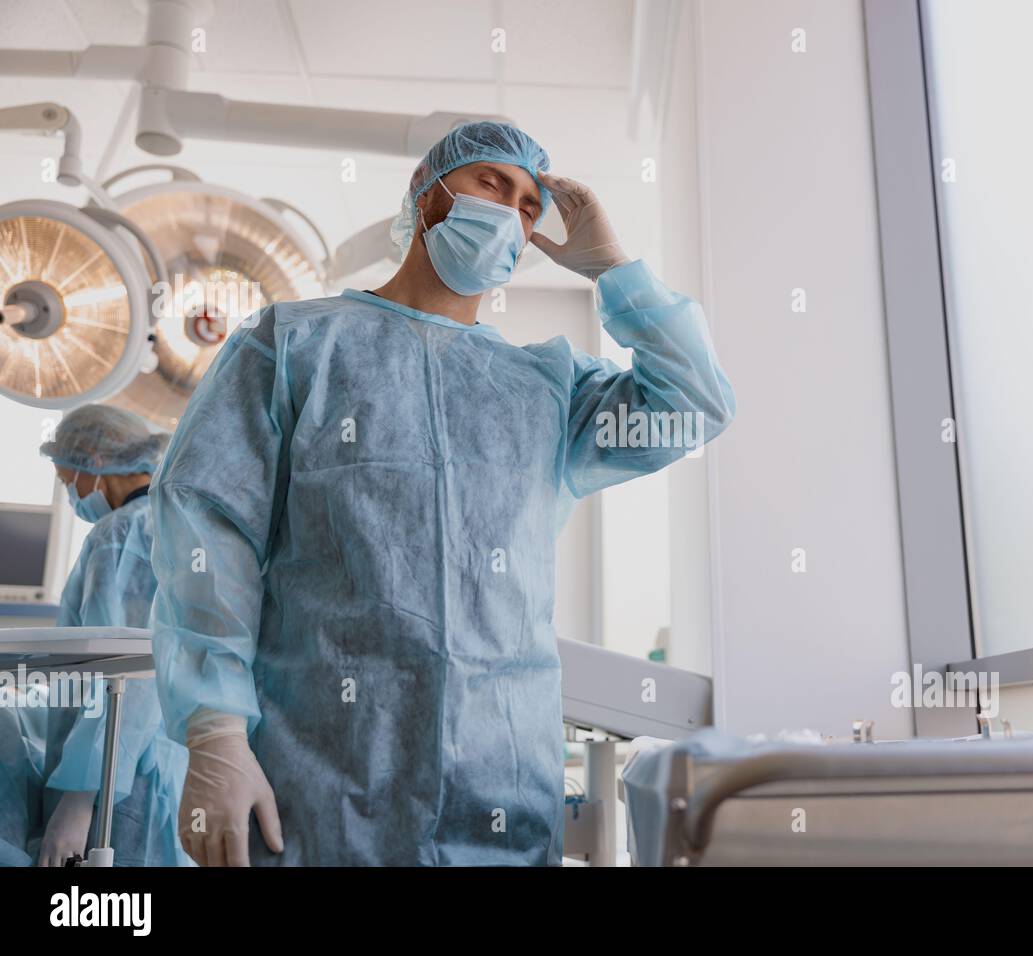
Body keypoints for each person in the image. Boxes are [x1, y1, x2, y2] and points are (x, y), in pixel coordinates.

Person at [150, 120, 736, 866]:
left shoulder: (549, 389)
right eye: (491, 183)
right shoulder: (294, 346)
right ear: (426, 197)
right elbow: (207, 528)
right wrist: (217, 734)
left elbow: (698, 405)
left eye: (529, 205)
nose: (510, 212)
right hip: (317, 793)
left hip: (503, 793)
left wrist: (614, 270)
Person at [31, 404, 190, 867]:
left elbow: (124, 675)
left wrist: (80, 797)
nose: (72, 494)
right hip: (159, 764)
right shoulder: (171, 525)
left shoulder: (121, 535)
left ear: (96, 462)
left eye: (68, 481)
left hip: (119, 782)